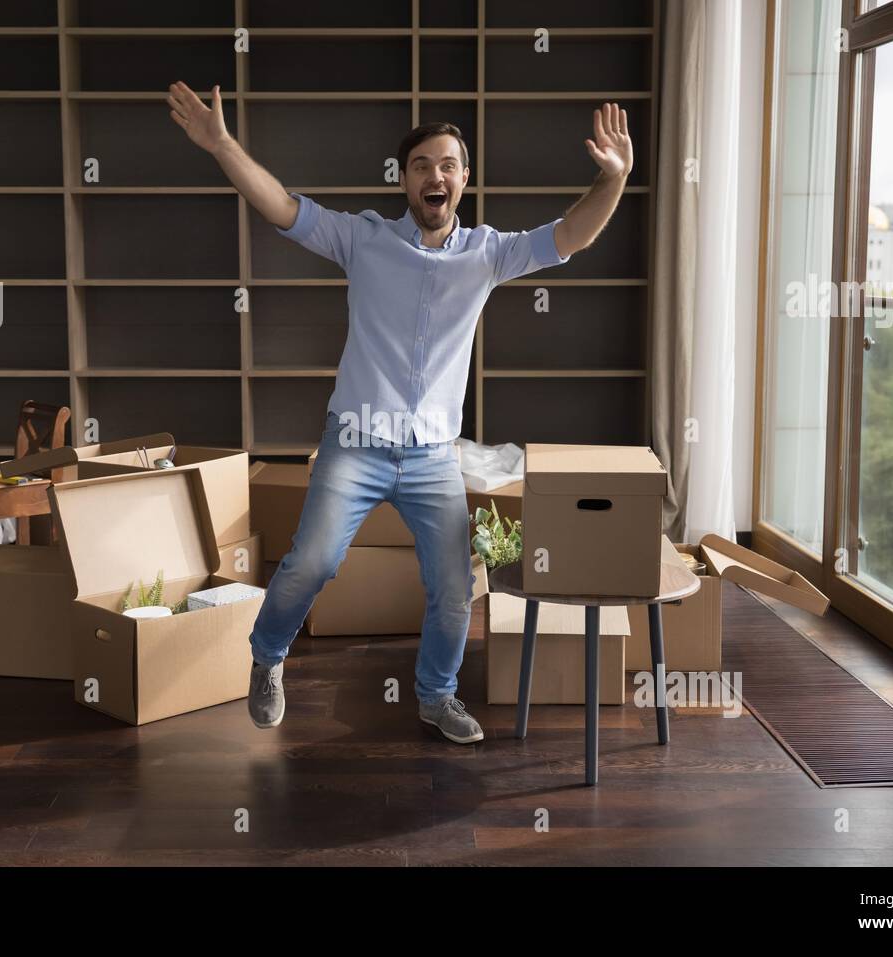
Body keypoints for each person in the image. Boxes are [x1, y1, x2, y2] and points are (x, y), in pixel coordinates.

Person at [167, 80, 634, 743]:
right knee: (313, 561)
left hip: (432, 455)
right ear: (406, 181)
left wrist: (613, 179)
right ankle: (267, 657)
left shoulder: (489, 252)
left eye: (446, 164)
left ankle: (435, 697)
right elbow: (281, 207)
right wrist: (221, 144)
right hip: (354, 443)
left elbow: (572, 236)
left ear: (463, 179)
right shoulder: (362, 237)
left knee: (453, 584)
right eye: (421, 166)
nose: (434, 175)